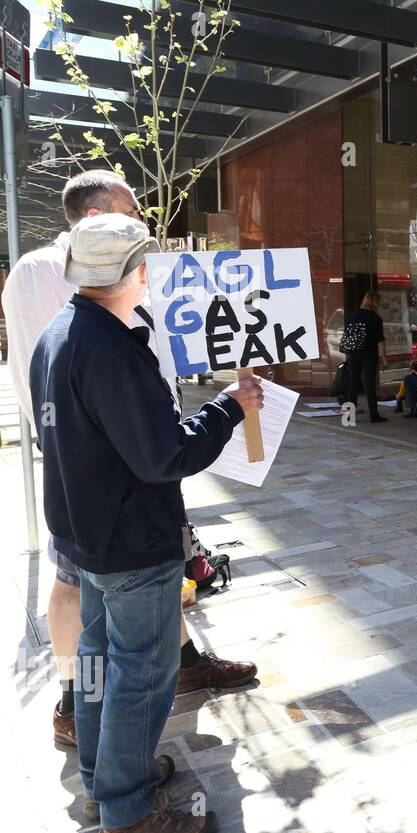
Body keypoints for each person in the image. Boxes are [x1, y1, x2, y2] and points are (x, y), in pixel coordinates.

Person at [0, 170, 257, 753]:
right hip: (110, 478)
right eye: (133, 211)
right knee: (117, 645)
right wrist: (217, 414)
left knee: (150, 594)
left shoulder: (90, 314)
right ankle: (90, 730)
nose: (144, 222)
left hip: (140, 465)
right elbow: (43, 384)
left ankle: (170, 672)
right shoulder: (45, 283)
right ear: (98, 225)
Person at [30, 212, 264, 833]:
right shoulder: (111, 350)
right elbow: (165, 455)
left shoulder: (60, 332)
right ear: (135, 272)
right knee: (140, 674)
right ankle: (128, 812)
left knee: (101, 661)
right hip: (131, 542)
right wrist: (228, 407)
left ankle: (107, 777)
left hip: (89, 536)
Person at [344, 290, 388, 423]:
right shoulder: (375, 317)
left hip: (354, 353)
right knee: (370, 385)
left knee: (352, 384)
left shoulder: (353, 314)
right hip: (369, 353)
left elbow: (348, 335)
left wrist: (347, 354)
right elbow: (380, 340)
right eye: (378, 301)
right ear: (374, 302)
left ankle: (349, 416)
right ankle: (374, 415)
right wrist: (384, 358)